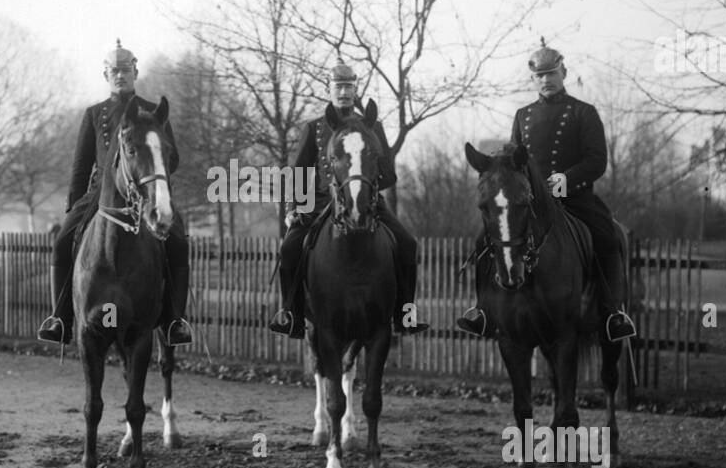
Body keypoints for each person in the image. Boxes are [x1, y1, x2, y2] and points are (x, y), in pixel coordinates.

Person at [457, 42, 637, 342]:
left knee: (607, 237)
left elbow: (597, 160)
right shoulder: (522, 115)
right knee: (484, 240)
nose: (546, 80)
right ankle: (483, 312)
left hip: (576, 199)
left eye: (551, 73)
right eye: (540, 76)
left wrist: (566, 180)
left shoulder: (584, 112)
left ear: (563, 72)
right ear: (533, 80)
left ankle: (612, 315)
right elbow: (515, 162)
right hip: (530, 203)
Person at [37, 40, 193, 346]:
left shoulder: (153, 111)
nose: (120, 76)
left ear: (135, 72)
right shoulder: (94, 114)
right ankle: (60, 319)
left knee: (178, 242)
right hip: (101, 197)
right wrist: (74, 207)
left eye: (125, 70)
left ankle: (175, 320)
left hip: (146, 195)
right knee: (61, 243)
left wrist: (154, 173)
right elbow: (81, 166)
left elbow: (172, 158)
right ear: (105, 75)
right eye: (114, 71)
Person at [267, 62, 429, 340]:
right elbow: (296, 173)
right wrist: (293, 209)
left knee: (408, 244)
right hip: (318, 205)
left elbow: (389, 174)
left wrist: (364, 185)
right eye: (338, 87)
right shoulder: (315, 128)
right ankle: (290, 315)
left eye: (348, 87)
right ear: (329, 90)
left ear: (355, 90)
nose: (343, 92)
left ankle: (405, 314)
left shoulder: (371, 126)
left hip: (366, 203)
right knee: (289, 249)